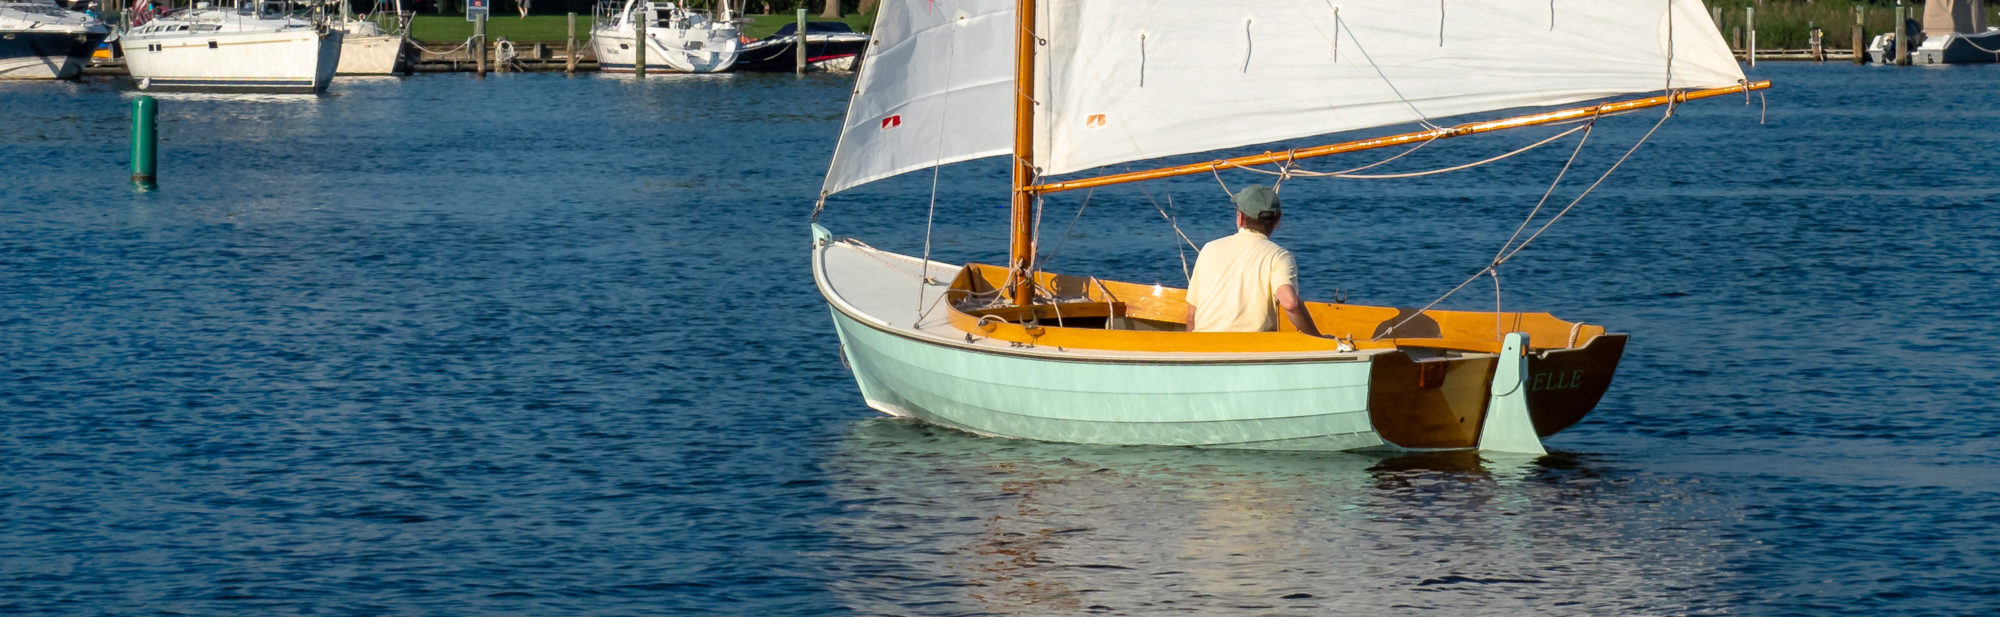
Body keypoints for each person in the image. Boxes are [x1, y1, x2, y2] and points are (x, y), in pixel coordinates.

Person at [1184, 185, 1325, 337]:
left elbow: (1192, 317)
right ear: (1277, 218)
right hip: (1253, 347)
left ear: (1240, 218)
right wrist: (1318, 338)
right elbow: (1290, 303)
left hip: (1205, 344)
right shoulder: (1279, 256)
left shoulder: (1209, 249)